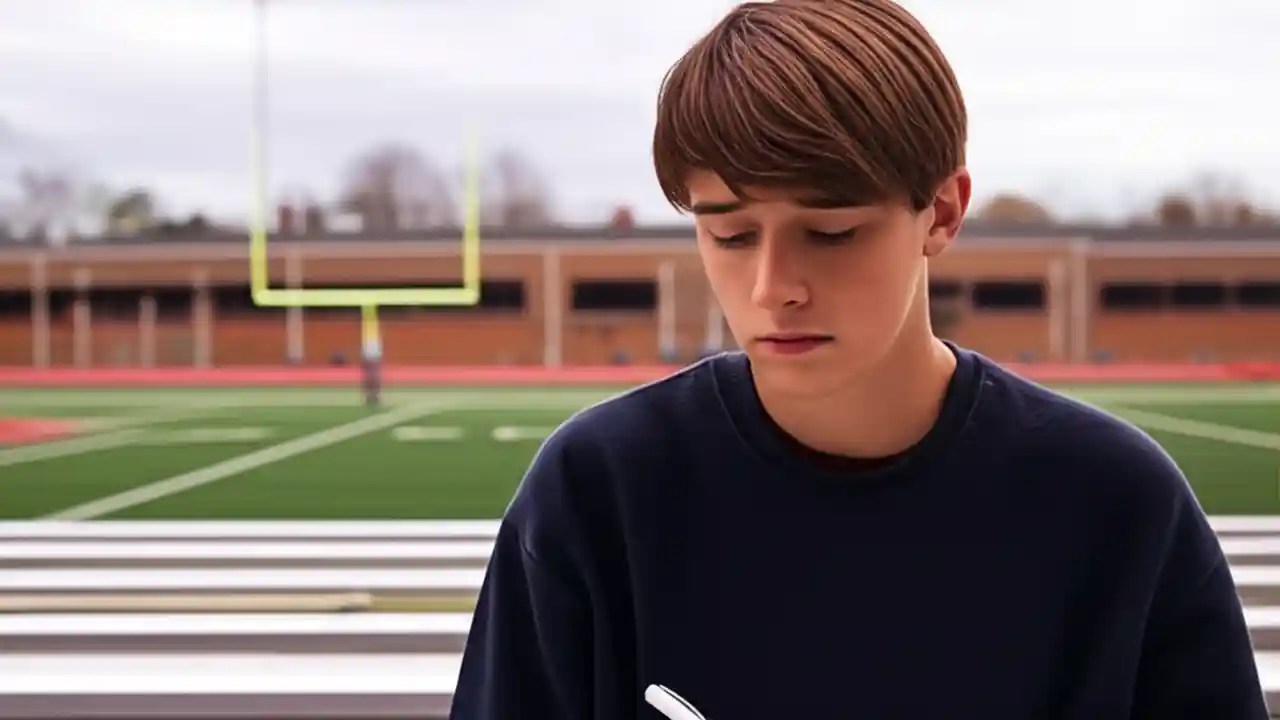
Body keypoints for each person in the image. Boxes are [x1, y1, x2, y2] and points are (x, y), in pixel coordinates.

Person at [448, 1, 1268, 717]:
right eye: (729, 234)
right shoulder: (597, 495)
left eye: (831, 232)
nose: (774, 288)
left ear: (941, 213)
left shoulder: (1117, 507)